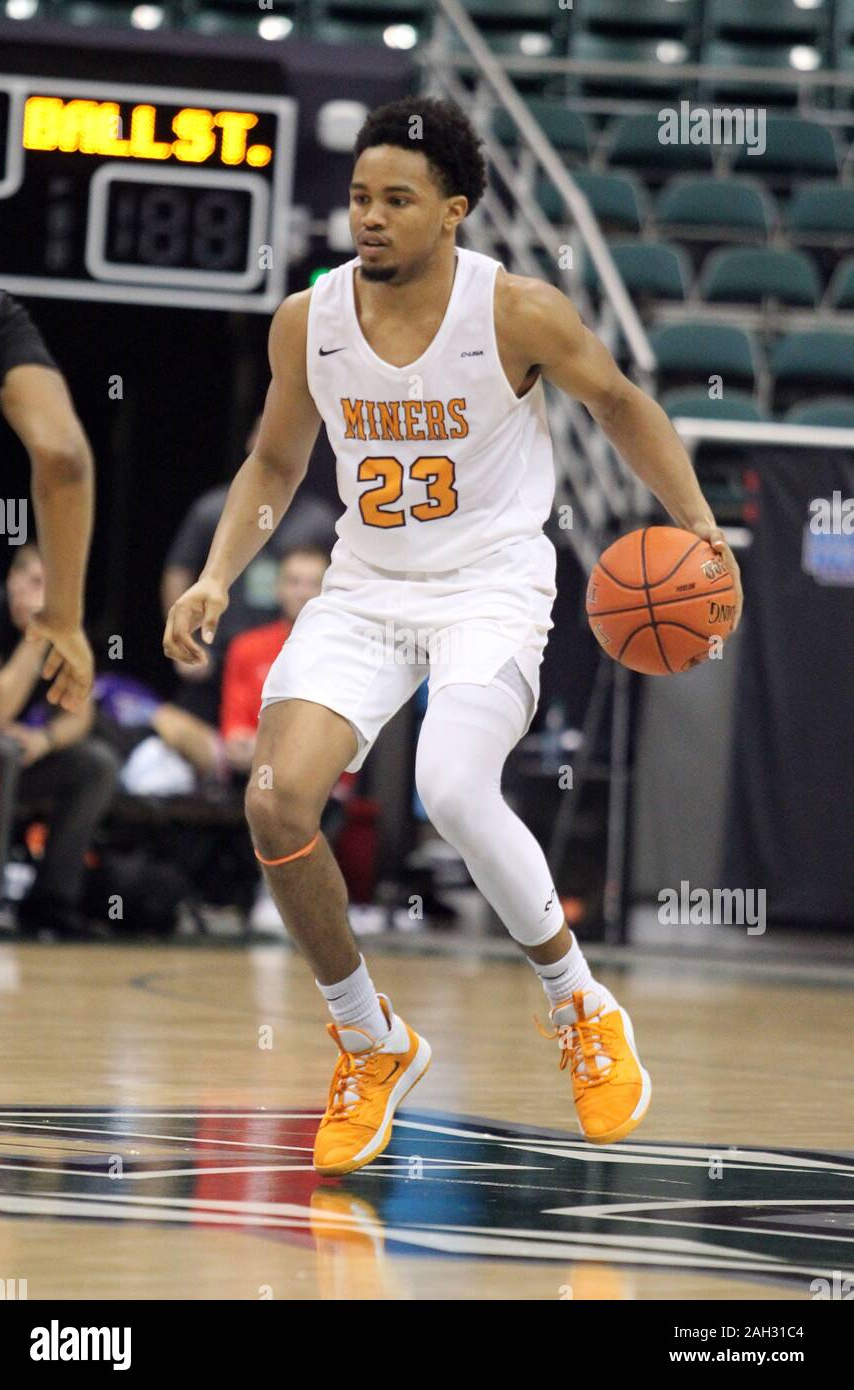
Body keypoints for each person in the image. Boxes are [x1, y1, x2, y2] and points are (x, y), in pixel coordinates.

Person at [164, 97, 743, 1176]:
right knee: (274, 801)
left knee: (455, 786)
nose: (369, 218)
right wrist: (213, 577)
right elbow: (277, 463)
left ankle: (579, 1005)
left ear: (455, 212)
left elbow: (617, 404)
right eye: (358, 198)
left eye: (397, 200)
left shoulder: (515, 310)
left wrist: (699, 524)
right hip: (367, 586)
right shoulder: (309, 319)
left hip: (490, 586)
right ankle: (371, 1040)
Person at [0, 285, 95, 946]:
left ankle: (49, 901)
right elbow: (62, 456)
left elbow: (77, 716)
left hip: (35, 748)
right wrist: (62, 617)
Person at [161, 415, 338, 725]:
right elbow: (179, 571)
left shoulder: (320, 520)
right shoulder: (213, 510)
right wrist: (183, 637)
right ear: (251, 442)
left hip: (283, 655)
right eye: (267, 438)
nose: (279, 447)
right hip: (216, 650)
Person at [0, 545, 117, 936]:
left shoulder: (64, 624)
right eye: (36, 584)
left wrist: (44, 738)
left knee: (96, 763)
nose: (44, 599)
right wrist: (35, 639)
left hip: (17, 751)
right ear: (13, 581)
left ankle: (52, 900)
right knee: (2, 752)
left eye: (52, 590)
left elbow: (80, 712)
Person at [219, 544, 356, 932]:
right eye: (294, 582)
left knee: (296, 783)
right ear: (278, 589)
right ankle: (261, 893)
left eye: (313, 583)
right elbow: (236, 736)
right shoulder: (248, 647)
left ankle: (292, 901)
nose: (302, 591)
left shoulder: (347, 653)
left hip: (327, 775)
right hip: (257, 766)